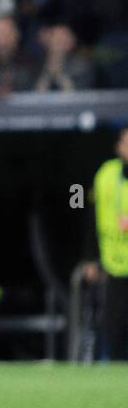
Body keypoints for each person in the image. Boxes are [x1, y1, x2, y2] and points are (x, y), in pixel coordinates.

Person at [92, 128, 128, 360]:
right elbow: (88, 215)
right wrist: (91, 259)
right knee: (114, 329)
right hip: (114, 264)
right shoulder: (106, 174)